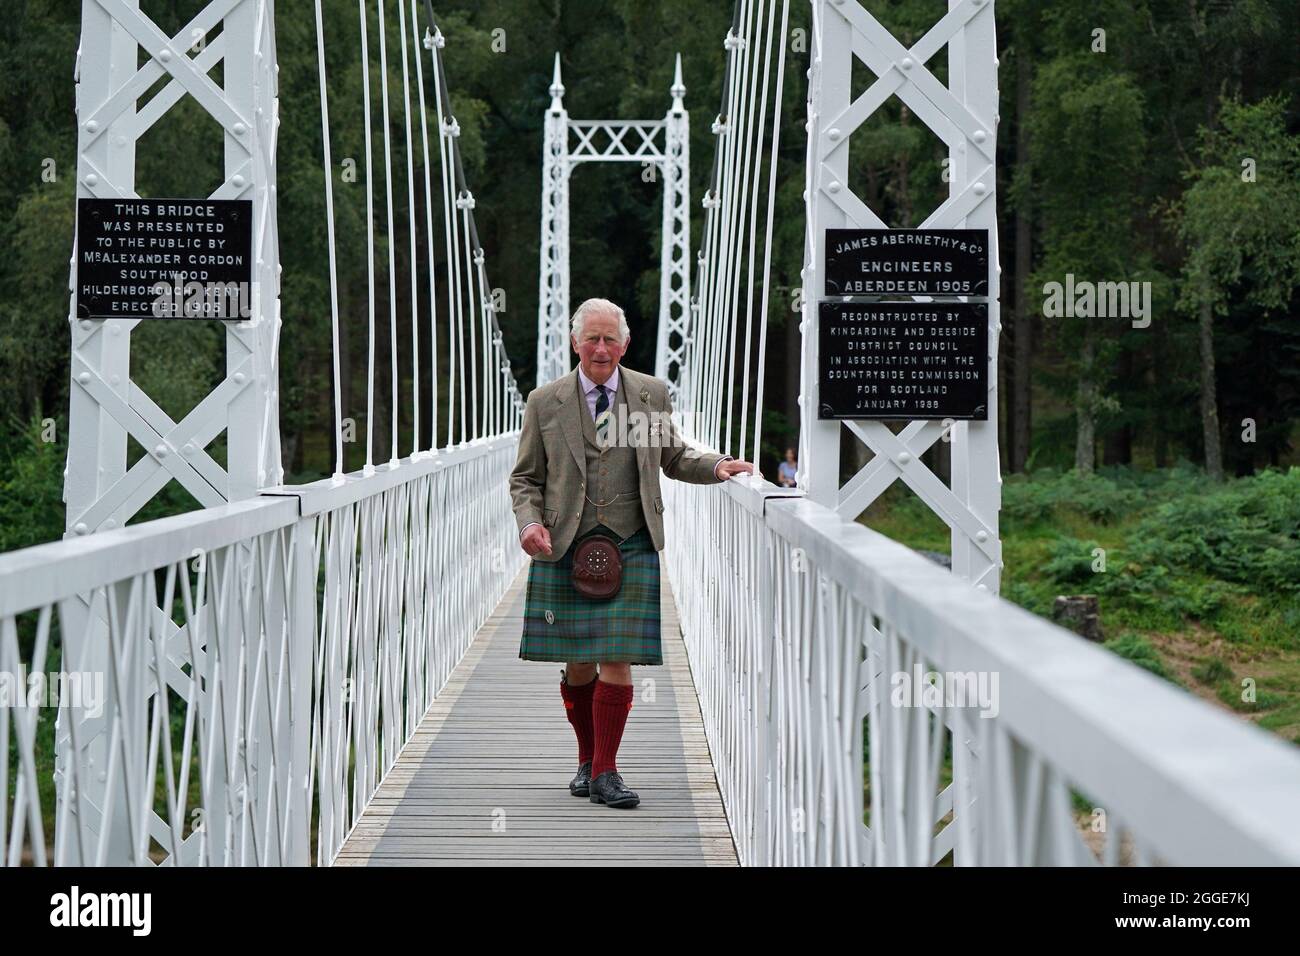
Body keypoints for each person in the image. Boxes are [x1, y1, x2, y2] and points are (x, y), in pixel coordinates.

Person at [509, 297, 755, 808]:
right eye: (591, 339)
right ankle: (586, 760)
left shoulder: (650, 395)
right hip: (566, 543)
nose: (601, 349)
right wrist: (530, 522)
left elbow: (674, 455)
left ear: (625, 343)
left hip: (632, 538)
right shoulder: (544, 401)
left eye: (610, 339)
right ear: (574, 342)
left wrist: (717, 466)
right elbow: (526, 477)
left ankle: (605, 772)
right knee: (579, 663)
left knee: (617, 658)